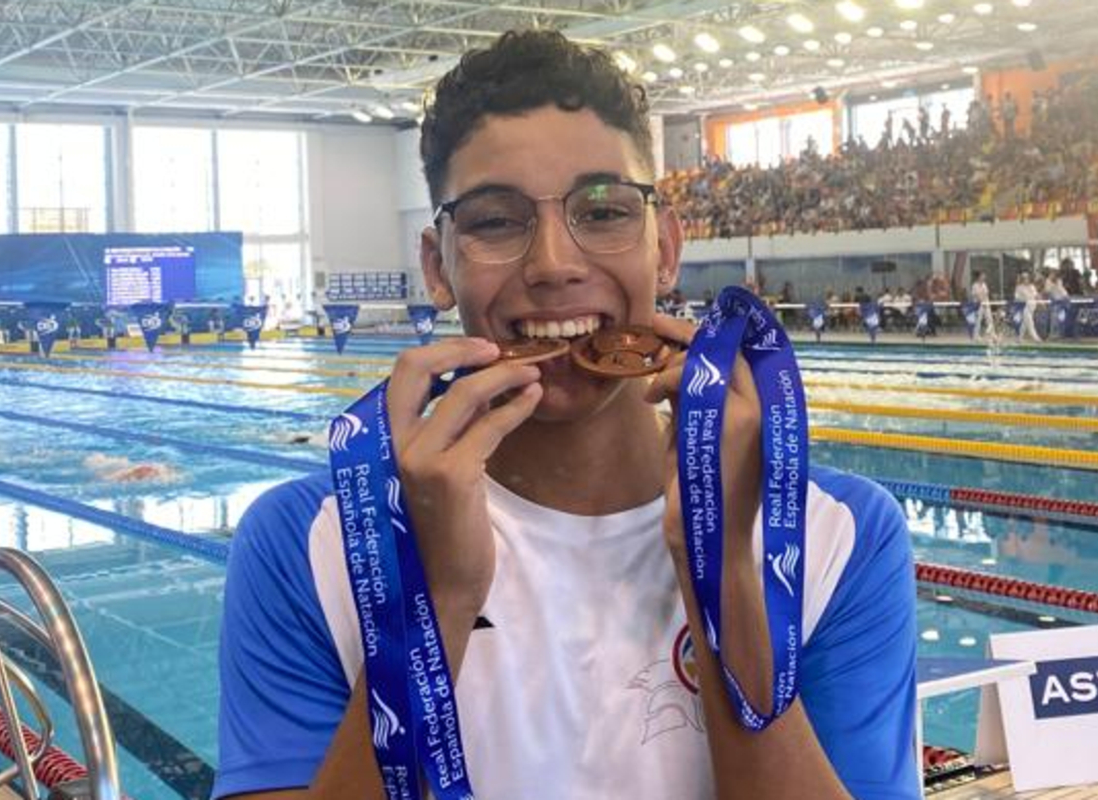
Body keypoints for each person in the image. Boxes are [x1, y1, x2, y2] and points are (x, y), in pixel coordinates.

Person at [214, 30, 919, 800]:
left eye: (606, 210)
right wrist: (437, 600)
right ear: (435, 264)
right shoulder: (311, 543)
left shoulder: (830, 536)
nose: (553, 263)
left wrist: (720, 568)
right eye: (494, 220)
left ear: (666, 247)